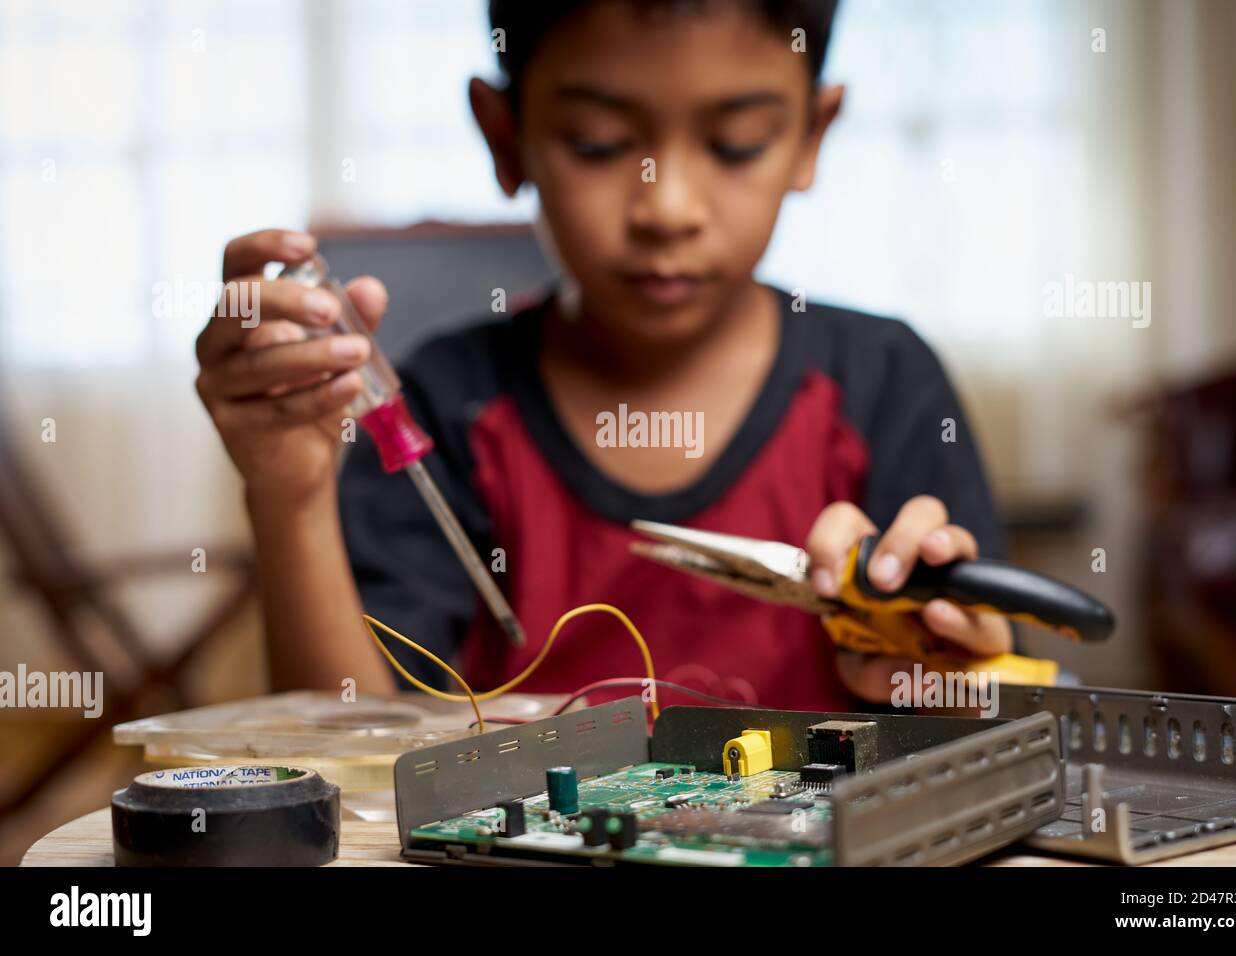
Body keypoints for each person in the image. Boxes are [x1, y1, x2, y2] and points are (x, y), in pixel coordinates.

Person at [194, 0, 1012, 711]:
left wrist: (946, 678)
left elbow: (989, 703)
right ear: (504, 136)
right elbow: (355, 754)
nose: (668, 208)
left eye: (735, 144)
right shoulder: (449, 406)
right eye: (597, 142)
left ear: (811, 133)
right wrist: (289, 496)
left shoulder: (883, 382)